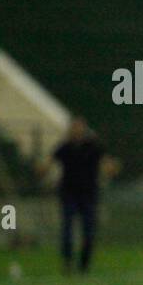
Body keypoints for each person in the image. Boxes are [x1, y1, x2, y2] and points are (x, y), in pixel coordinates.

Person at [41, 116, 118, 275]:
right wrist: (42, 168)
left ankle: (84, 265)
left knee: (89, 233)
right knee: (67, 231)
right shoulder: (64, 147)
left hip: (89, 195)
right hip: (69, 194)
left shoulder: (94, 147)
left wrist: (112, 168)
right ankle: (68, 263)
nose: (77, 131)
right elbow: (47, 163)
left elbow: (108, 164)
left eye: (79, 128)